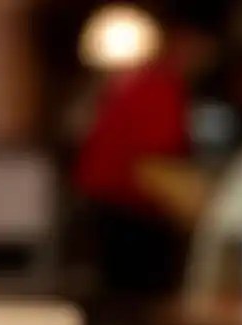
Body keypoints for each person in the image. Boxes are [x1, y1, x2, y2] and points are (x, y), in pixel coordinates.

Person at [72, 5, 222, 300]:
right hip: (130, 215)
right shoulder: (161, 87)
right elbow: (154, 165)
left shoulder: (140, 82)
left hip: (108, 210)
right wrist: (201, 210)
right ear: (186, 42)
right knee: (139, 304)